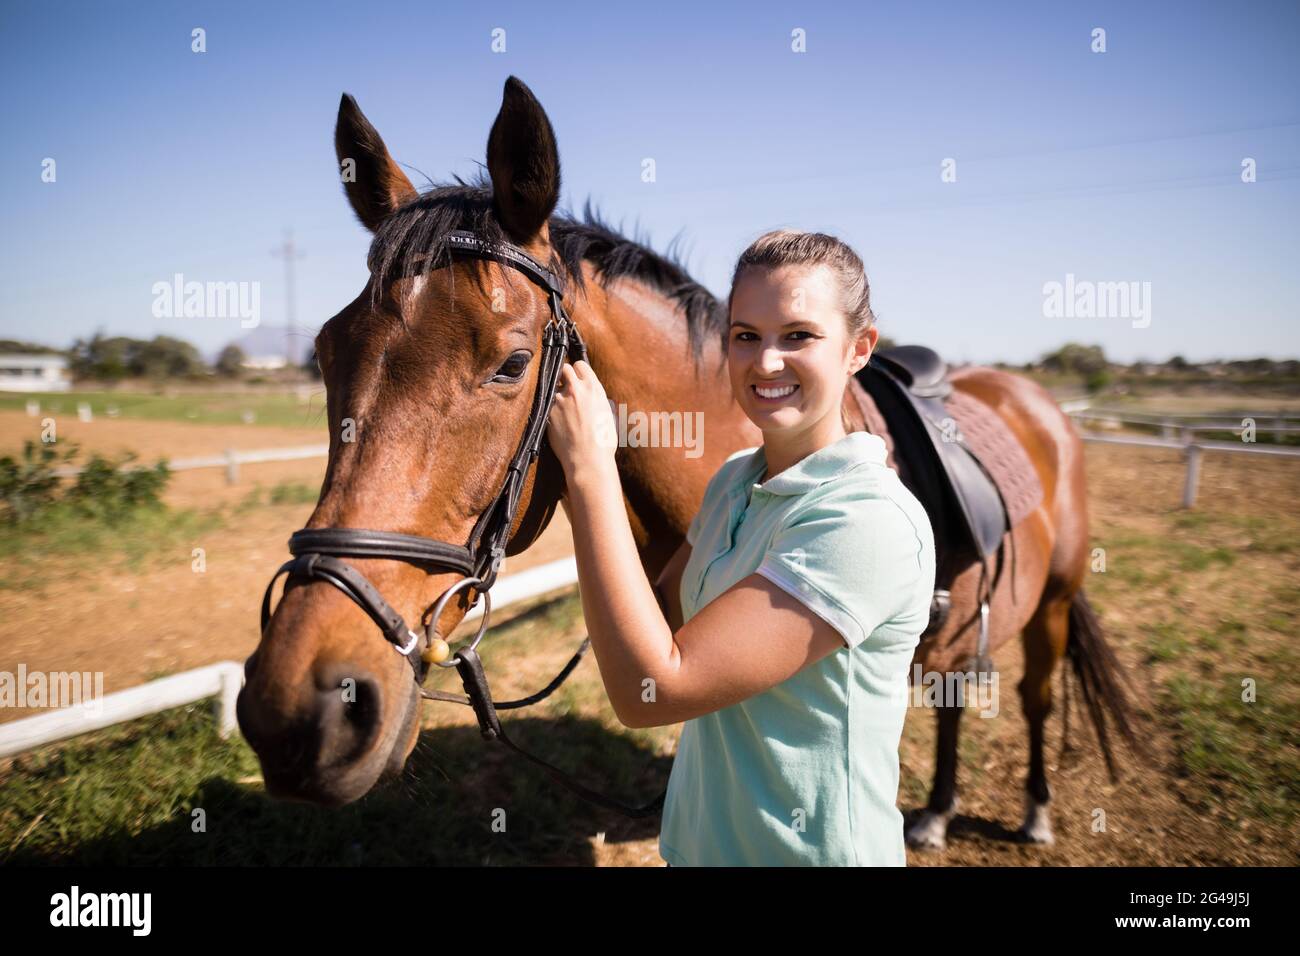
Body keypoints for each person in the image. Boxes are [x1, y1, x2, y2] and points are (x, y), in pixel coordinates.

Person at [546, 229, 936, 866]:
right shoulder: (734, 480)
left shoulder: (867, 521)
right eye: (745, 335)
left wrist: (592, 468)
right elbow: (663, 615)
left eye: (799, 336)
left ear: (858, 349)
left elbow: (651, 688)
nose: (766, 362)